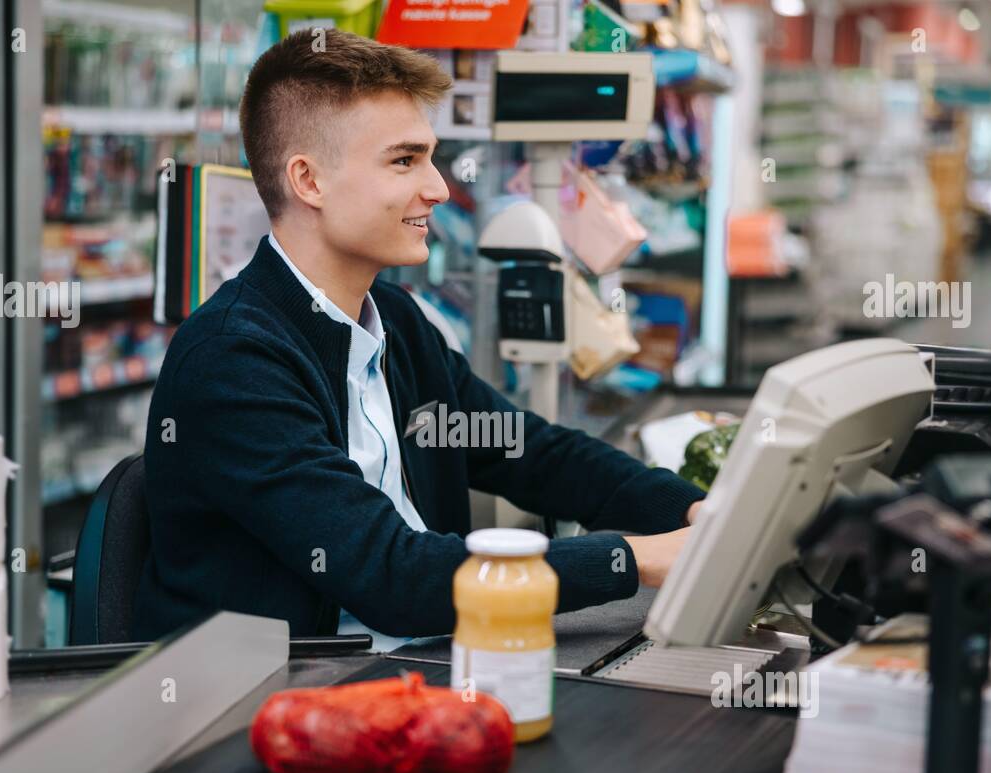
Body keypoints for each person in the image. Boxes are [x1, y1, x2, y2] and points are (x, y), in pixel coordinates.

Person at [131, 28, 705, 648]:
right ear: (309, 181)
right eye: (404, 161)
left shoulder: (397, 323)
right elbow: (396, 577)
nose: (437, 187)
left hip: (418, 668)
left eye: (430, 157)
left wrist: (690, 513)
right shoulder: (232, 358)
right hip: (277, 706)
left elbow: (531, 451)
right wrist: (632, 559)